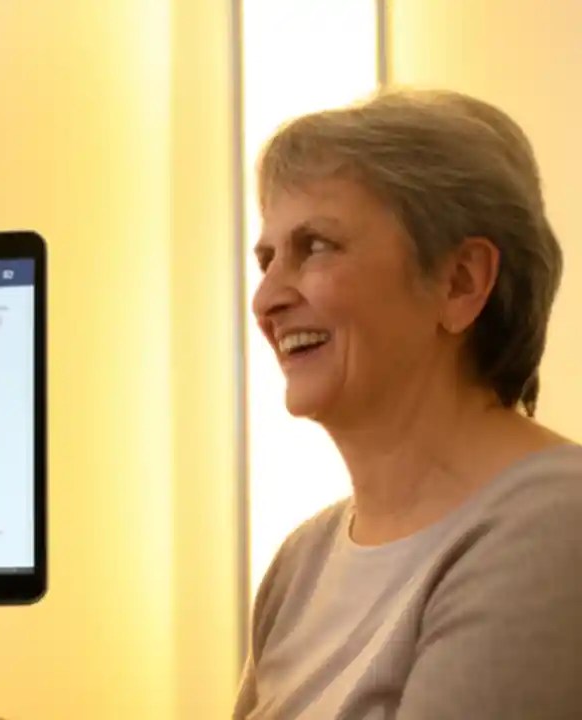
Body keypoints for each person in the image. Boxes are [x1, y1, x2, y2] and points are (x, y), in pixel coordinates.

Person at [233, 88, 582, 718]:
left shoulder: (558, 525)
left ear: (461, 282)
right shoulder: (300, 564)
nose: (266, 300)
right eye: (266, 259)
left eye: (314, 246)